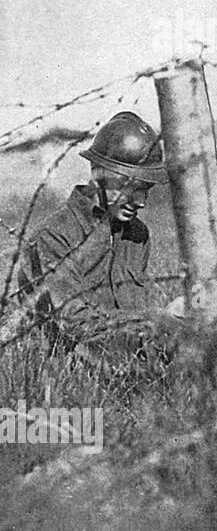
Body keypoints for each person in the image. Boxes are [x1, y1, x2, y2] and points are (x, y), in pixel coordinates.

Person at [14, 111, 170, 356]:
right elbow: (76, 326)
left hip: (131, 358)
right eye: (133, 188)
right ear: (100, 175)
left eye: (146, 189)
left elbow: (141, 312)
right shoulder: (54, 235)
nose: (141, 202)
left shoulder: (137, 235)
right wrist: (157, 334)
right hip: (71, 371)